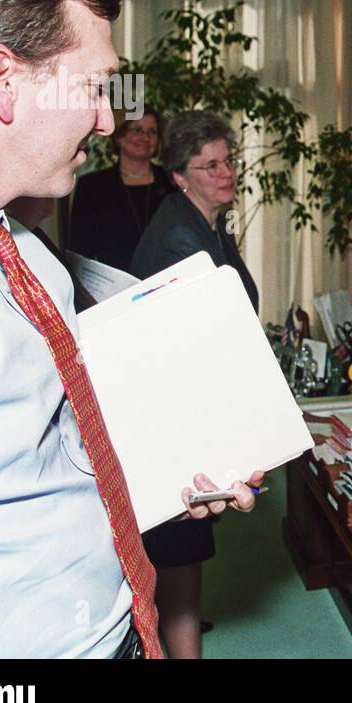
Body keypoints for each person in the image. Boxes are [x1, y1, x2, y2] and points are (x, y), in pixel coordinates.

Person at [0, 0, 263, 658]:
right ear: (1, 81)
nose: (109, 118)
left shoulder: (25, 254)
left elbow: (46, 459)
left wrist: (165, 477)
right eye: (93, 89)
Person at [130, 109, 258, 658]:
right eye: (209, 166)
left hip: (188, 405)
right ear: (179, 175)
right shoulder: (181, 236)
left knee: (184, 554)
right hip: (172, 416)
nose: (225, 172)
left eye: (227, 160)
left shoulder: (206, 225)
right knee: (178, 550)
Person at [69, 111, 173, 272]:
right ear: (120, 136)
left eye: (152, 132)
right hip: (114, 288)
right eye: (137, 130)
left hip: (167, 281)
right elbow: (80, 250)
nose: (145, 138)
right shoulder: (92, 187)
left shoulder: (172, 182)